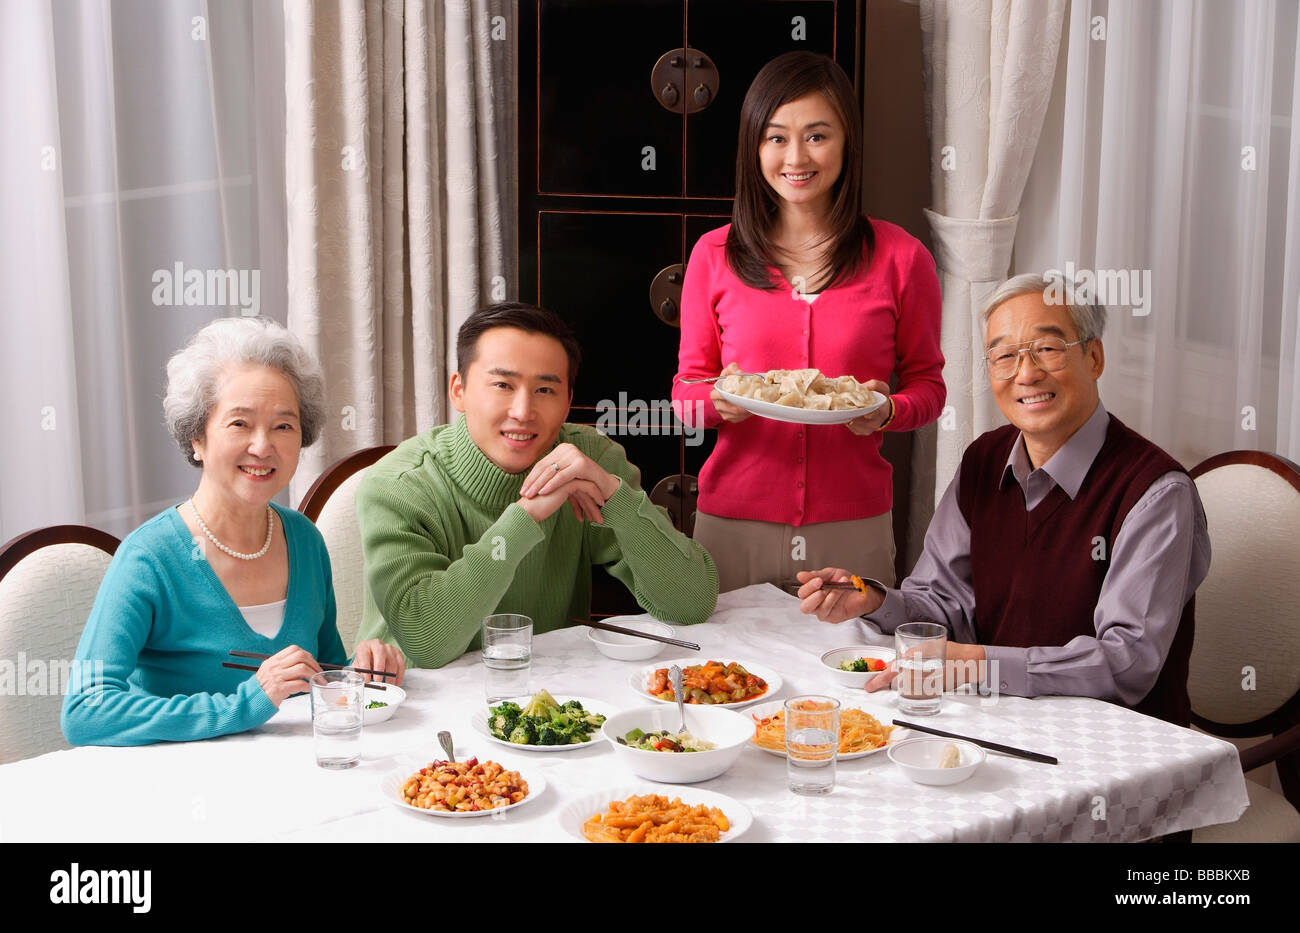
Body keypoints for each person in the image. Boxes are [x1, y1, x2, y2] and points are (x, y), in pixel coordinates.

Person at [798, 273, 1211, 725]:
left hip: (1116, 747)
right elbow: (941, 604)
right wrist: (875, 601)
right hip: (997, 721)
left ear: (1094, 357)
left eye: (1048, 349)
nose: (1026, 373)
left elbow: (1126, 662)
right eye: (1005, 355)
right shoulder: (983, 460)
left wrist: (980, 664)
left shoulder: (1155, 492)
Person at [671, 50, 944, 594]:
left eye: (817, 135)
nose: (796, 156)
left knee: (848, 674)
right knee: (727, 678)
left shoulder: (902, 258)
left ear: (847, 143)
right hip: (732, 522)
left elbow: (929, 389)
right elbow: (685, 390)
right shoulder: (713, 254)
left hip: (852, 525)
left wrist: (887, 410)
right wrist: (716, 402)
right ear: (755, 147)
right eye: (776, 137)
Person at [62, 318, 405, 747]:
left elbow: (322, 672)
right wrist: (245, 703)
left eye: (283, 426)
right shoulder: (149, 557)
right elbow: (85, 711)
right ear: (196, 438)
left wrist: (363, 670)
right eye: (239, 424)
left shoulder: (305, 540)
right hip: (185, 791)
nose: (263, 446)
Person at [355, 302, 718, 668]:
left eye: (545, 390)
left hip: (548, 699)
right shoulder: (400, 484)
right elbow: (426, 642)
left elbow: (691, 605)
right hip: (417, 705)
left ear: (567, 402)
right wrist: (523, 520)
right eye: (502, 385)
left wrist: (616, 499)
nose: (523, 411)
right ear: (459, 390)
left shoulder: (590, 459)